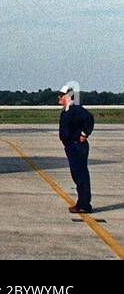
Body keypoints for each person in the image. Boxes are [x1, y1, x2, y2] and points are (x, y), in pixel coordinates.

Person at [59, 84, 95, 214]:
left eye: (61, 95)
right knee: (77, 175)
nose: (59, 98)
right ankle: (81, 203)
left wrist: (84, 134)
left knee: (81, 175)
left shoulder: (76, 109)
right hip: (71, 146)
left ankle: (84, 205)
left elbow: (89, 119)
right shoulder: (67, 110)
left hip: (77, 146)